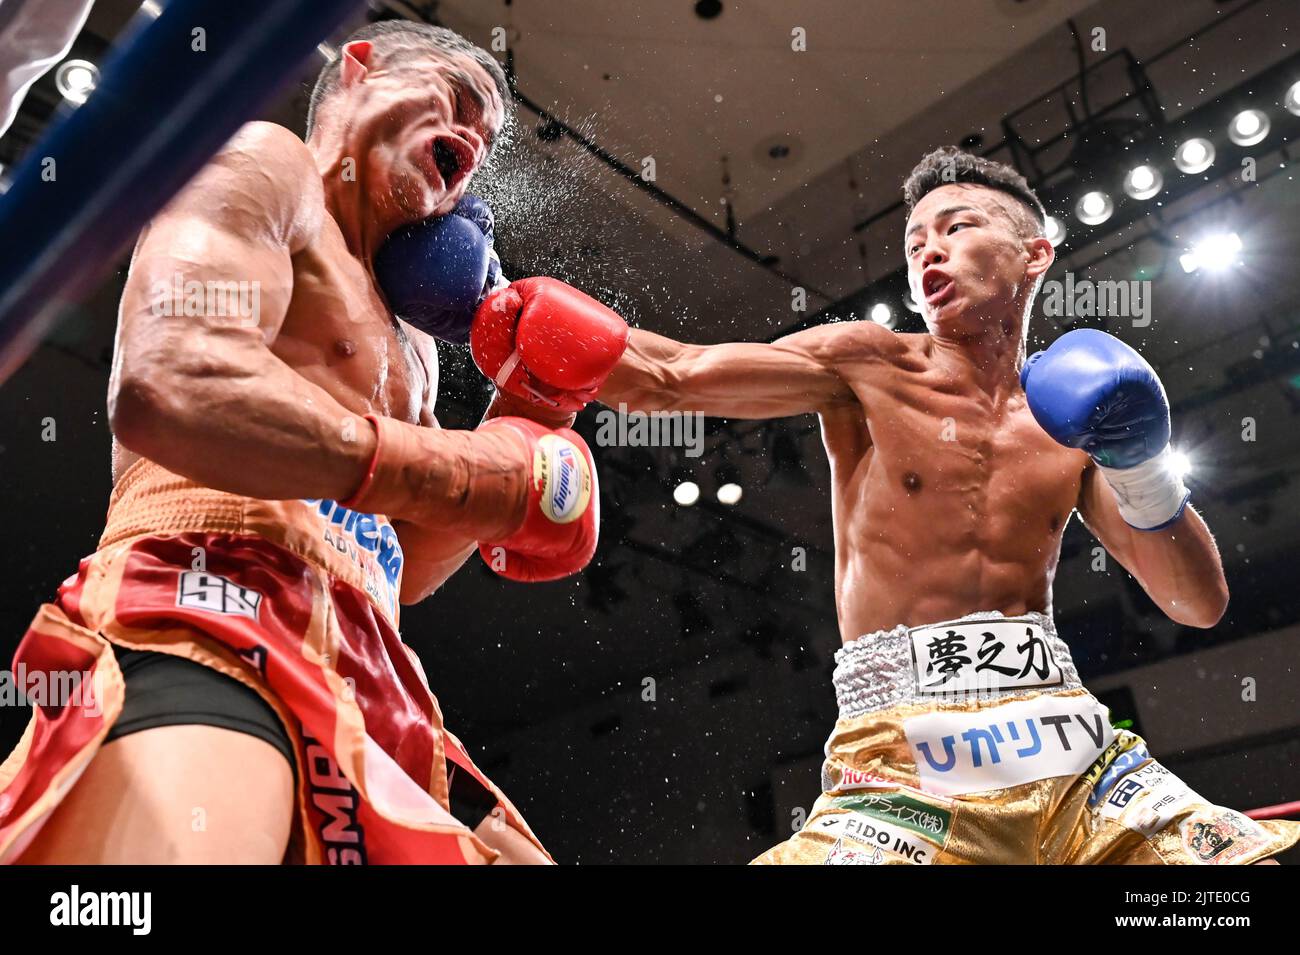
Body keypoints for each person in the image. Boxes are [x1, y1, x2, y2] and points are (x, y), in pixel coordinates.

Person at [524, 145, 1297, 864]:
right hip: (904, 757)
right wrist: (516, 315)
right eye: (915, 241)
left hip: (1070, 749)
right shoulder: (870, 366)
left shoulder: (1073, 420)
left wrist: (1142, 464)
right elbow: (674, 375)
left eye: (957, 227)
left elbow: (1195, 601)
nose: (928, 248)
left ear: (1035, 254)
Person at [0, 20, 601, 865]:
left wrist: (527, 419)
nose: (473, 136)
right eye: (457, 99)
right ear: (358, 69)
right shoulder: (265, 163)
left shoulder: (416, 343)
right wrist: (464, 473)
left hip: (373, 655)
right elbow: (173, 383)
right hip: (212, 589)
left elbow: (406, 563)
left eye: (490, 136)